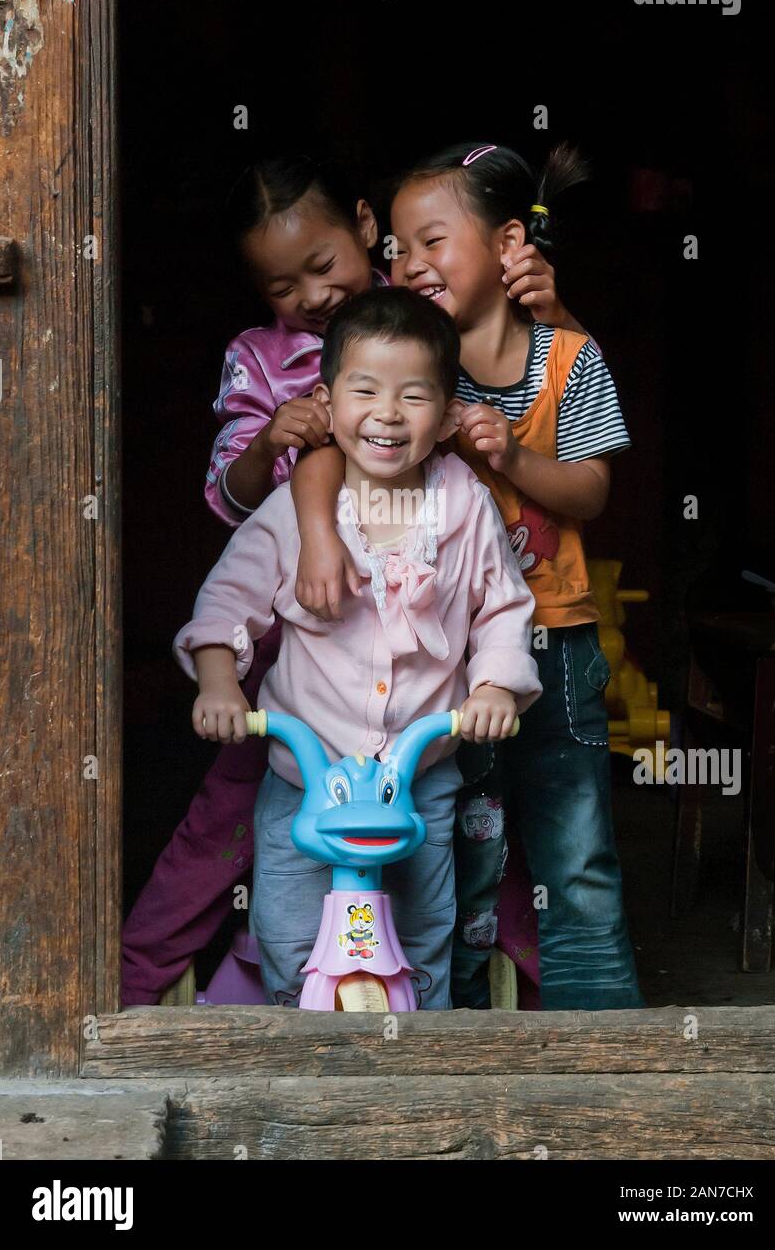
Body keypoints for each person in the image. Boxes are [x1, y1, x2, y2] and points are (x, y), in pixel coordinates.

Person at [292, 141, 645, 1011]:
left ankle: (601, 1033)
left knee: (575, 846)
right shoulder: (409, 354)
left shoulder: (570, 354)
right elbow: (321, 450)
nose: (405, 264)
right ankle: (445, 1026)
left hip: (552, 644)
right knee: (456, 844)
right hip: (444, 661)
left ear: (509, 245)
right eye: (398, 249)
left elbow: (592, 492)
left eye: (429, 242)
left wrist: (516, 456)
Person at [172, 287, 542, 1007]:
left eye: (414, 396)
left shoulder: (463, 504)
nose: (388, 413)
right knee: (287, 931)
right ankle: (296, 1051)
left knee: (425, 929)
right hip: (306, 776)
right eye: (364, 389)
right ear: (328, 400)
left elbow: (502, 605)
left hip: (420, 775)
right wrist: (219, 683)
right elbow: (226, 602)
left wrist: (494, 687)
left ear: (445, 415)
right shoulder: (296, 510)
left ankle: (415, 1067)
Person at [121, 152, 386, 1004]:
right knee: (230, 824)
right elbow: (227, 497)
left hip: (410, 641)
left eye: (323, 264)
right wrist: (273, 439)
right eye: (282, 286)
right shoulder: (259, 359)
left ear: (367, 227)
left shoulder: (422, 315)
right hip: (291, 648)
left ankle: (530, 1009)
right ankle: (130, 987)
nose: (311, 296)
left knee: (437, 820)